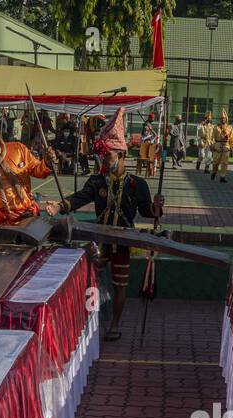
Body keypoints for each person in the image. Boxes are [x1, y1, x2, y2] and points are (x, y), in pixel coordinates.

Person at [45, 107, 163, 342]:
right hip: (99, 239)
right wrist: (59, 206)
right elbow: (80, 197)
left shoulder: (137, 184)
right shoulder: (97, 180)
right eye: (102, 156)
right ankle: (90, 321)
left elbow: (146, 211)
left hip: (123, 241)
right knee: (91, 280)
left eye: (108, 156)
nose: (104, 160)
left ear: (121, 155)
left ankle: (115, 325)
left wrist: (156, 208)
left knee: (120, 285)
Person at [0, 94, 57, 227]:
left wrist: (47, 162)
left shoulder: (18, 149)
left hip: (28, 215)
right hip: (1, 221)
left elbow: (38, 170)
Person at [210, 110, 233, 182]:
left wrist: (232, 147)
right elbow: (212, 138)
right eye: (221, 118)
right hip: (217, 145)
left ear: (226, 119)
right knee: (215, 162)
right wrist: (212, 146)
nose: (223, 119)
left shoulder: (230, 127)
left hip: (226, 146)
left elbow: (232, 138)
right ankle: (214, 172)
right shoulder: (216, 127)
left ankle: (222, 176)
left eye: (224, 118)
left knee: (225, 163)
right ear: (220, 119)